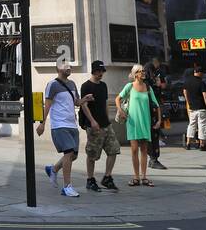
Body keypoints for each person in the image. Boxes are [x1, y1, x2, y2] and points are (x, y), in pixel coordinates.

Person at [37, 57, 81, 198]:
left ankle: (53, 169)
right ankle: (67, 187)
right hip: (59, 125)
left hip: (72, 124)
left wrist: (84, 100)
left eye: (69, 65)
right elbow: (47, 105)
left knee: (73, 155)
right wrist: (42, 123)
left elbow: (76, 102)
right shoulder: (52, 85)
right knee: (68, 153)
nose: (68, 67)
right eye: (65, 65)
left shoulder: (73, 84)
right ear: (58, 68)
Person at [116, 64, 161, 186]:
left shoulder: (148, 87)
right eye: (141, 71)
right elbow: (118, 99)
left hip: (145, 122)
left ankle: (144, 177)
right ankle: (136, 177)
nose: (144, 73)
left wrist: (159, 120)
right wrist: (120, 111)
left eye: (144, 71)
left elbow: (156, 105)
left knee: (144, 150)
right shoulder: (129, 86)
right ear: (135, 74)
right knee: (134, 150)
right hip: (132, 122)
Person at [78, 60, 120, 192]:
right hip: (93, 125)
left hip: (106, 124)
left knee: (114, 149)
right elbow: (84, 105)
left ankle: (107, 177)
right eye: (98, 71)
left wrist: (107, 119)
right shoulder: (86, 86)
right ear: (93, 71)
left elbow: (105, 103)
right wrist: (92, 121)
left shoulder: (103, 85)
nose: (101, 73)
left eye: (102, 71)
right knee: (92, 154)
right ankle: (90, 179)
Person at [144, 55, 168, 170]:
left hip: (153, 110)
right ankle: (153, 158)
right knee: (153, 134)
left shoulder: (148, 82)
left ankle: (153, 158)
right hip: (150, 111)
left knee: (154, 133)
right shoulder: (146, 83)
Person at [183, 60, 206, 150]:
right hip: (201, 107)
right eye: (202, 73)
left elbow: (185, 92)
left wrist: (188, 102)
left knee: (192, 125)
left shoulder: (187, 81)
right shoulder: (201, 82)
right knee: (202, 125)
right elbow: (205, 96)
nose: (203, 75)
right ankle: (202, 144)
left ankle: (188, 143)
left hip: (192, 108)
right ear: (199, 73)